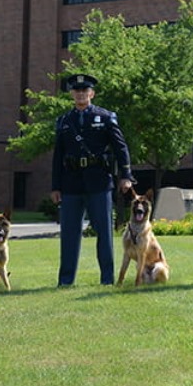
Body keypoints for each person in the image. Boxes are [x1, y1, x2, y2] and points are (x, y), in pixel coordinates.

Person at [51, 74, 134, 286]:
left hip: (98, 181)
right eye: (77, 90)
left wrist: (126, 176)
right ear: (72, 94)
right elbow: (57, 156)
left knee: (104, 232)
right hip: (71, 183)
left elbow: (120, 147)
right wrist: (55, 186)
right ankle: (66, 281)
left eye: (84, 90)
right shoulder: (64, 121)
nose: (80, 94)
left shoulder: (105, 117)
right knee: (69, 234)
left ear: (91, 93)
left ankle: (107, 278)